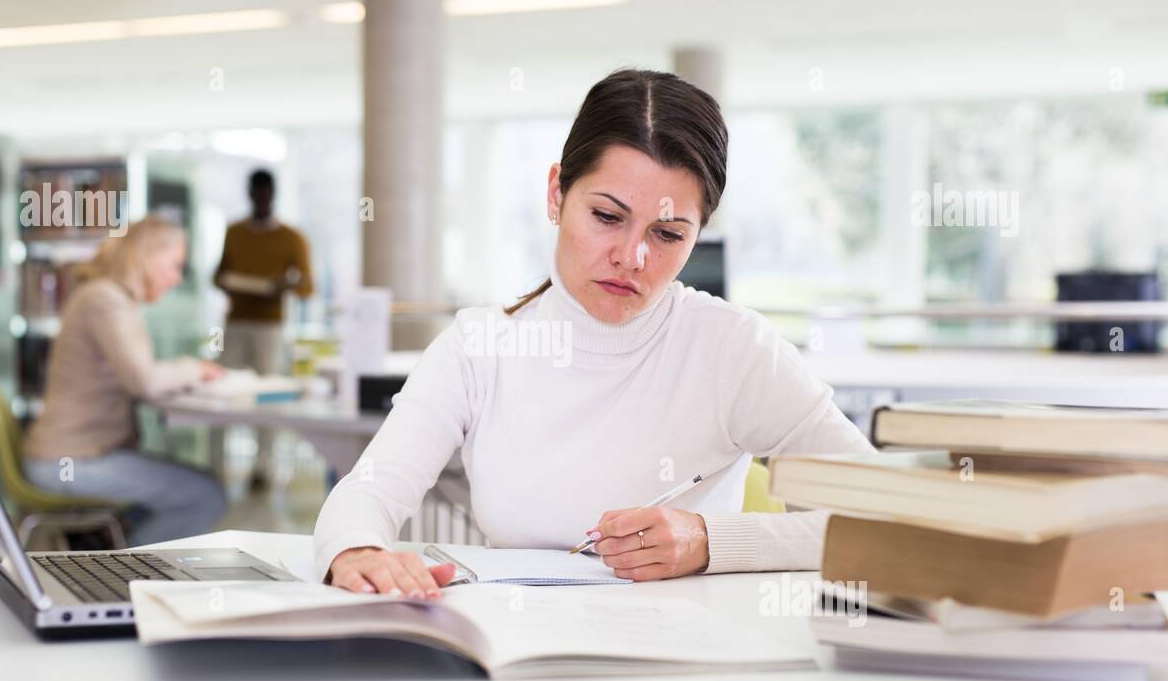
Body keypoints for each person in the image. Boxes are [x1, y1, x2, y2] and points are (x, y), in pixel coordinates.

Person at [314, 68, 876, 597]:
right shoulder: (479, 346)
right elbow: (370, 487)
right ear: (557, 193)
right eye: (607, 216)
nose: (631, 257)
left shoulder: (733, 349)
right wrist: (357, 550)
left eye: (667, 233)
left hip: (684, 665)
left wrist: (711, 542)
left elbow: (887, 517)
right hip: (517, 654)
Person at [23, 217, 228, 547]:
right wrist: (195, 369)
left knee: (197, 485)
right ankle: (118, 576)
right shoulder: (105, 300)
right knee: (205, 494)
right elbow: (143, 379)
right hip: (69, 461)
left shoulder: (105, 296)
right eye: (174, 265)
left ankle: (103, 548)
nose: (176, 278)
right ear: (147, 256)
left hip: (74, 455)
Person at [214, 169, 314, 492]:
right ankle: (216, 465)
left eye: (265, 193)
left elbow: (307, 287)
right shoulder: (234, 232)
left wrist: (283, 285)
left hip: (270, 327)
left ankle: (263, 469)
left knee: (267, 398)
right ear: (249, 193)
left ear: (272, 194)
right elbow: (218, 275)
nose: (260, 198)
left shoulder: (291, 237)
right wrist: (233, 284)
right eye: (255, 192)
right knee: (221, 394)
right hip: (236, 323)